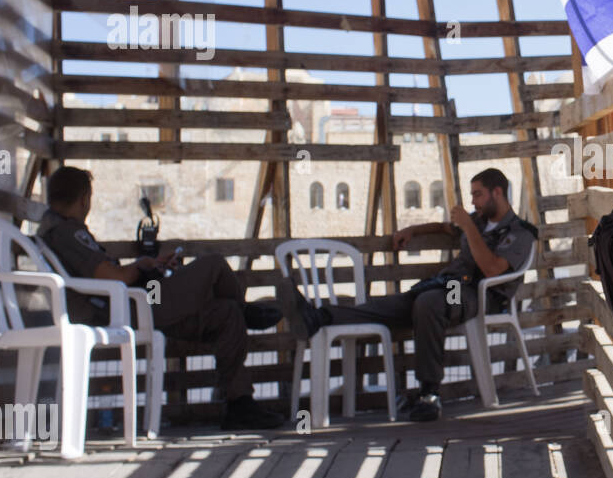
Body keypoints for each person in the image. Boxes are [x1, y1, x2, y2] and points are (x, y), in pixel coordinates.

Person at [36, 165, 286, 430]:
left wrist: (146, 264)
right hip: (130, 309)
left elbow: (110, 275)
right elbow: (115, 278)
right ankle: (248, 311)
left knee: (227, 315)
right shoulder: (67, 233)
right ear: (85, 198)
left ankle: (240, 405)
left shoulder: (57, 229)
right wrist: (140, 268)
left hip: (138, 302)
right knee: (213, 265)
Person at [280, 168, 538, 422]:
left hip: (478, 296)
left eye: (478, 194)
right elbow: (444, 227)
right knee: (387, 305)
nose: (473, 201)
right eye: (472, 195)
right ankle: (317, 316)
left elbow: (492, 270)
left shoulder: (519, 232)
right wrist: (413, 230)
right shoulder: (479, 221)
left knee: (429, 303)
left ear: (497, 192)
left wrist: (469, 227)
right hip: (446, 287)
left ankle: (430, 394)